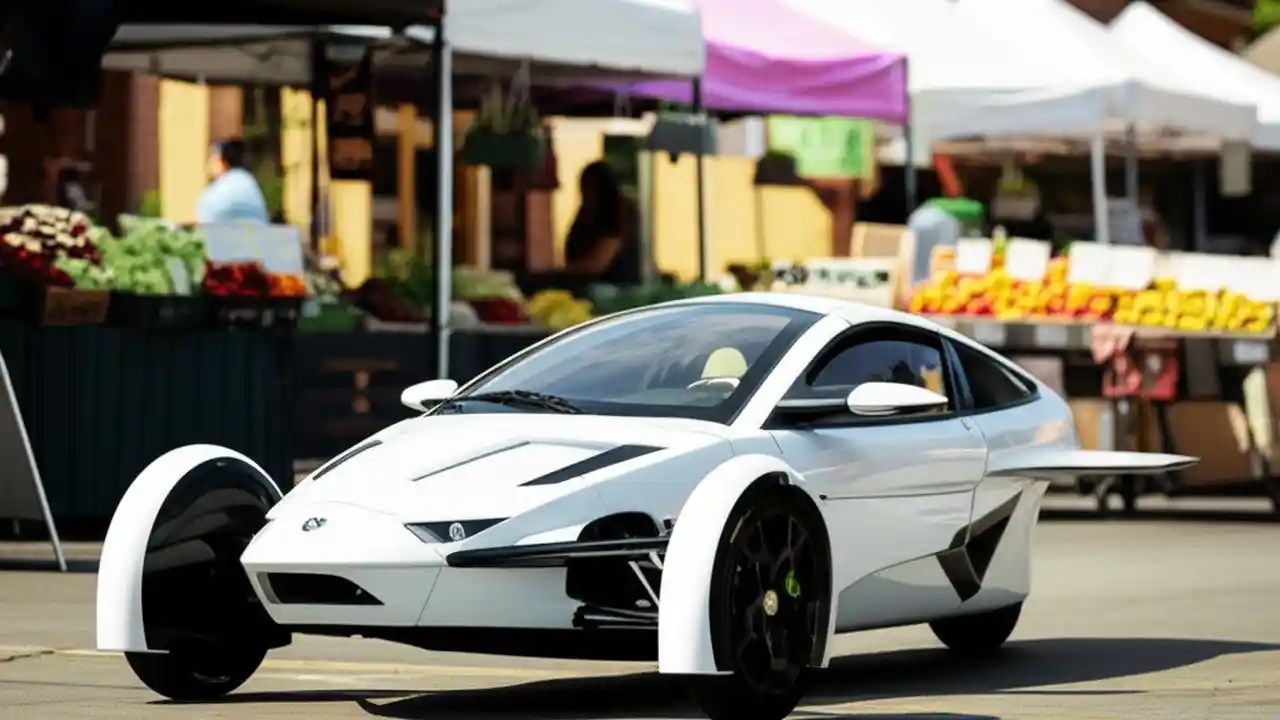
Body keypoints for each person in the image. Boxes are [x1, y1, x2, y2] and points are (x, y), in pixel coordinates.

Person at [563, 161, 640, 285]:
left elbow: (597, 263)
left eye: (589, 188)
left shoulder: (618, 213)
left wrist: (564, 272)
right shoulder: (585, 215)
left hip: (615, 287)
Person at [196, 139, 269, 224]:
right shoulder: (251, 185)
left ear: (223, 162)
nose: (209, 164)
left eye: (212, 158)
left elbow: (205, 218)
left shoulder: (214, 192)